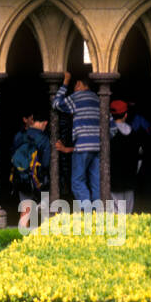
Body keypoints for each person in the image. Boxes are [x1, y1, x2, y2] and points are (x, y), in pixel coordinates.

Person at [53, 67, 101, 207]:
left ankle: (87, 214)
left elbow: (56, 104)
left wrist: (65, 82)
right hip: (98, 147)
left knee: (77, 182)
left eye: (75, 85)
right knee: (96, 182)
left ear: (79, 84)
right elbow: (112, 127)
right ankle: (97, 215)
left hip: (82, 147)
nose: (74, 89)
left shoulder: (78, 97)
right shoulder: (98, 98)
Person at [9, 113, 50, 230]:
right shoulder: (44, 138)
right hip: (38, 179)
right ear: (45, 123)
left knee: (25, 209)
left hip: (21, 177)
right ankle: (45, 241)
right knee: (46, 210)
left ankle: (21, 237)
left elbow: (13, 154)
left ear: (32, 120)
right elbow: (46, 162)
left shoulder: (19, 135)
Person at [109, 100, 140, 216]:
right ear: (126, 114)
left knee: (116, 214)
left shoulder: (108, 134)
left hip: (113, 180)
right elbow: (139, 158)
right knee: (128, 213)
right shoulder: (134, 134)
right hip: (129, 180)